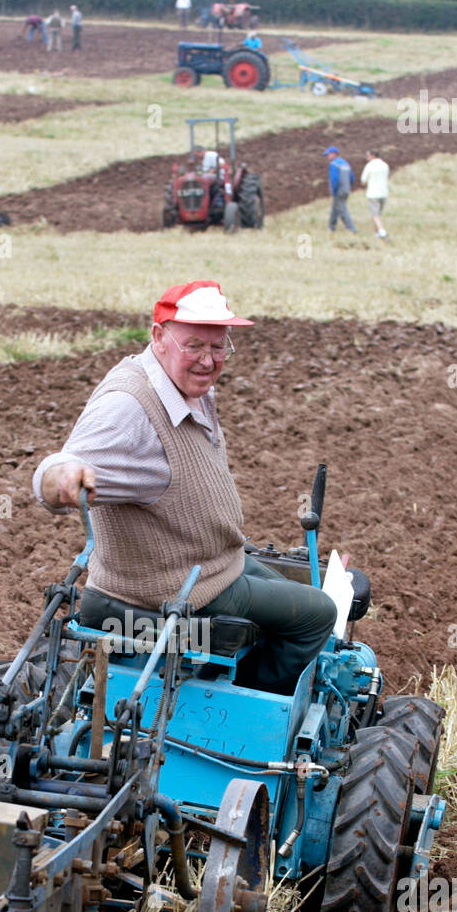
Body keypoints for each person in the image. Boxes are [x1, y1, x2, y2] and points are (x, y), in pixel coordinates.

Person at [33, 280, 336, 696]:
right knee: (319, 613)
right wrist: (60, 477)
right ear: (159, 337)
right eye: (194, 345)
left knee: (300, 593)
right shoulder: (130, 404)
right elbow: (61, 467)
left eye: (218, 347)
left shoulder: (183, 385)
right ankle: (249, 703)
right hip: (173, 590)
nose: (208, 361)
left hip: (209, 564)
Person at [323, 145, 356, 234]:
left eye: (328, 155)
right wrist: (349, 186)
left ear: (334, 154)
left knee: (342, 209)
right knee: (335, 208)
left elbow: (334, 179)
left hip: (339, 190)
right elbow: (352, 177)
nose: (327, 157)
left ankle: (352, 229)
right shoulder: (345, 163)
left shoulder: (334, 164)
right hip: (346, 189)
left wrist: (333, 190)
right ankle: (331, 227)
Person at [361, 147, 389, 240]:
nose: (366, 157)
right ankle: (376, 233)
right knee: (377, 214)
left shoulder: (369, 165)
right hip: (384, 192)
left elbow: (363, 180)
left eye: (368, 156)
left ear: (373, 156)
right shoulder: (385, 165)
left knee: (374, 215)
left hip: (373, 193)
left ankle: (381, 231)